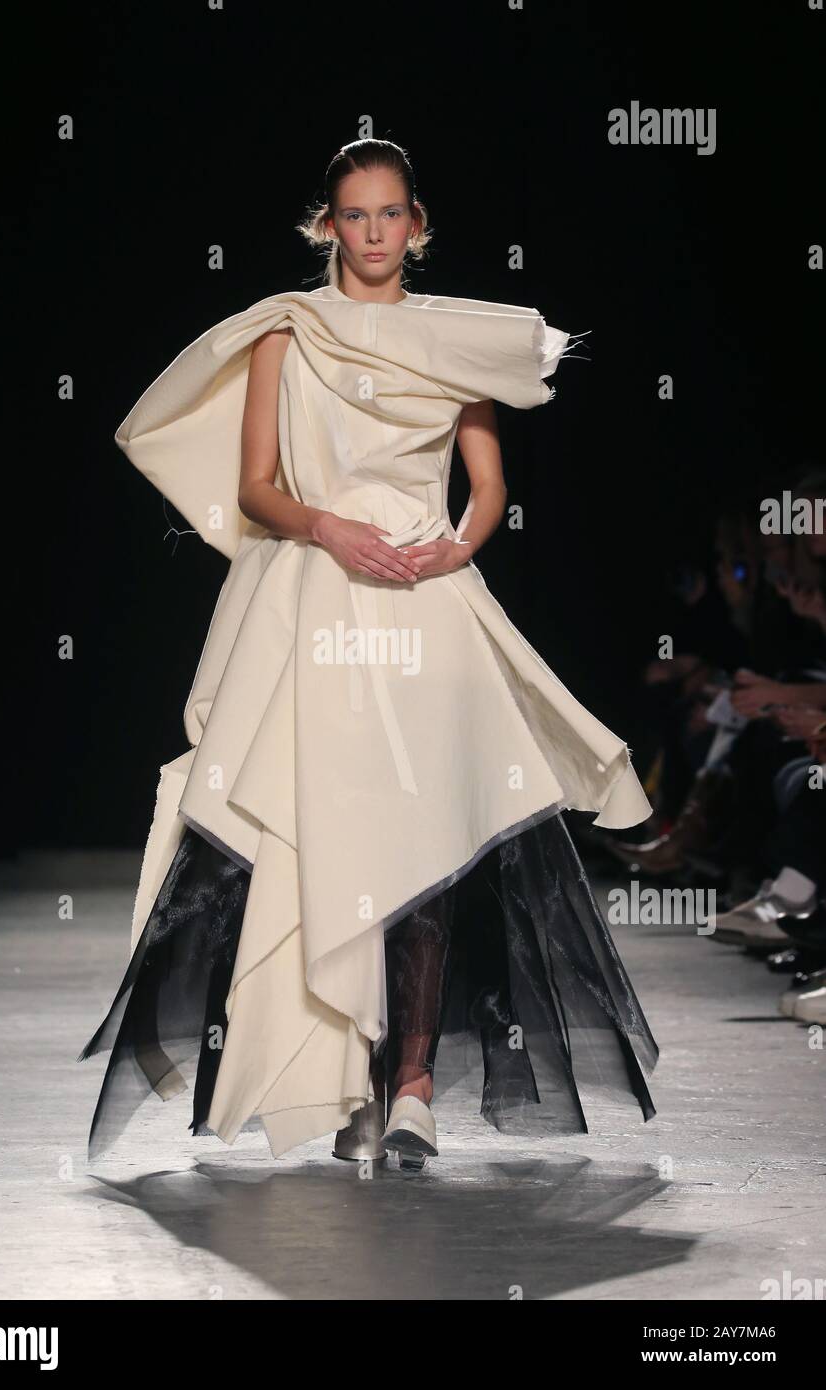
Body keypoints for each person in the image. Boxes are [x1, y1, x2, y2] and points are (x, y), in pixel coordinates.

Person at [79, 138, 659, 1171]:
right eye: (356, 215)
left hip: (425, 603)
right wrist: (330, 529)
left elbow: (486, 483)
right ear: (329, 227)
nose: (376, 231)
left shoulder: (451, 342)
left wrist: (459, 544)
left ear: (417, 224)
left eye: (392, 213)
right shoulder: (283, 335)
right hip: (314, 592)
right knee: (320, 832)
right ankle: (342, 1075)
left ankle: (415, 1082)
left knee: (423, 840)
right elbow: (256, 485)